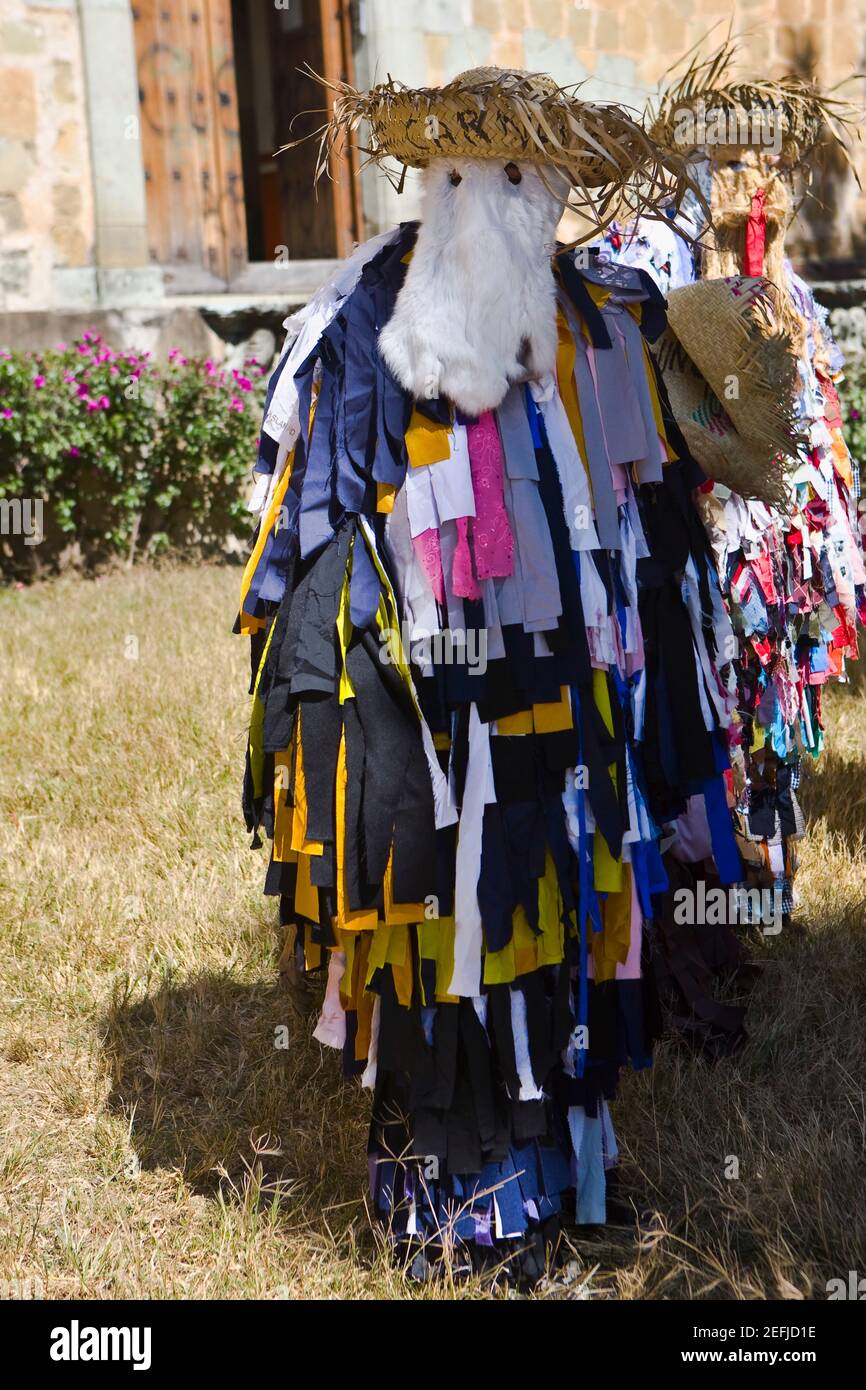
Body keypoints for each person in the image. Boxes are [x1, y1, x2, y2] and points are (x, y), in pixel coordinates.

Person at [234, 65, 749, 1281]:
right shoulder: (359, 325)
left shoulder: (603, 328)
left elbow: (650, 533)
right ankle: (447, 1206)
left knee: (563, 917)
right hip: (418, 712)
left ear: (557, 193)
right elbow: (305, 542)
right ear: (430, 179)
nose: (485, 201)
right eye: (461, 174)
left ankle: (571, 1168)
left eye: (518, 177)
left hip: (573, 708)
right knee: (438, 928)